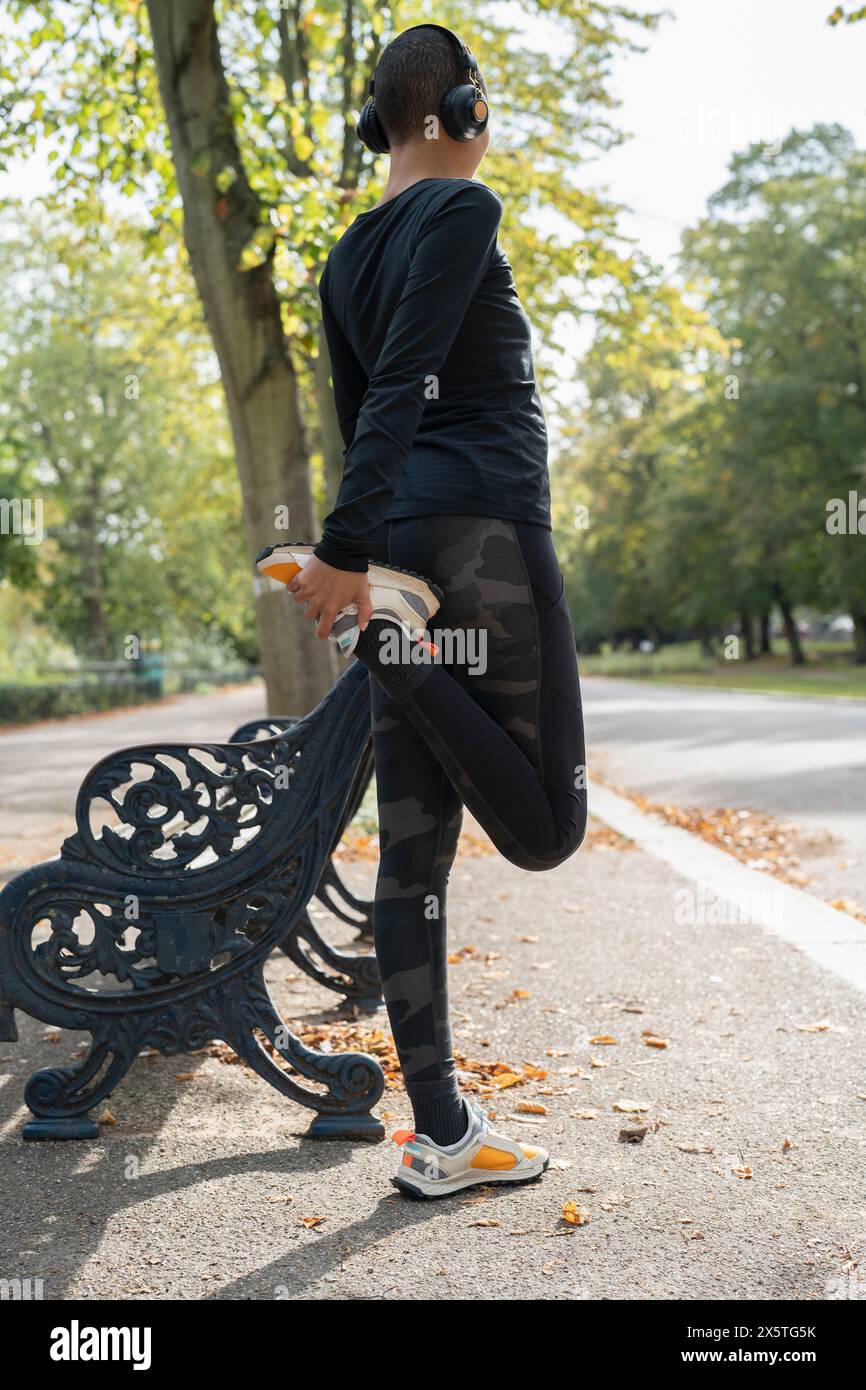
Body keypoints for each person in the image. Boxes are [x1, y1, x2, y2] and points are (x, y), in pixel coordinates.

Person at [258, 23, 587, 1199]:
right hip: (486, 537)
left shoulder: (344, 256)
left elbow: (365, 413)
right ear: (462, 108)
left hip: (404, 538)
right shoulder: (463, 213)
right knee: (546, 828)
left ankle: (440, 1134)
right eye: (482, 111)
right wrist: (348, 560)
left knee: (414, 851)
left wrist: (365, 546)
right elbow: (399, 384)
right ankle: (389, 644)